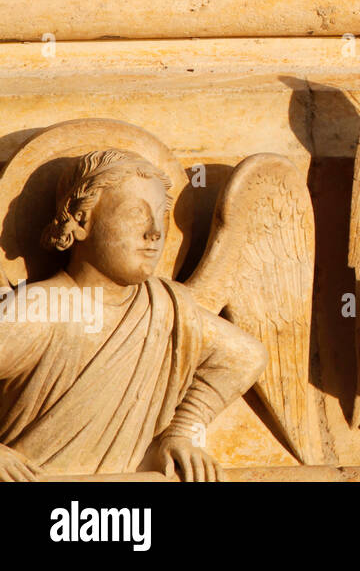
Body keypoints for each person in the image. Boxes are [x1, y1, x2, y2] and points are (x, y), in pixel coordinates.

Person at [0, 149, 266, 480]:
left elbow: (245, 356)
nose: (154, 231)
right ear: (81, 222)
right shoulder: (43, 308)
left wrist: (182, 432)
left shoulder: (164, 308)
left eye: (161, 216)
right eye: (135, 214)